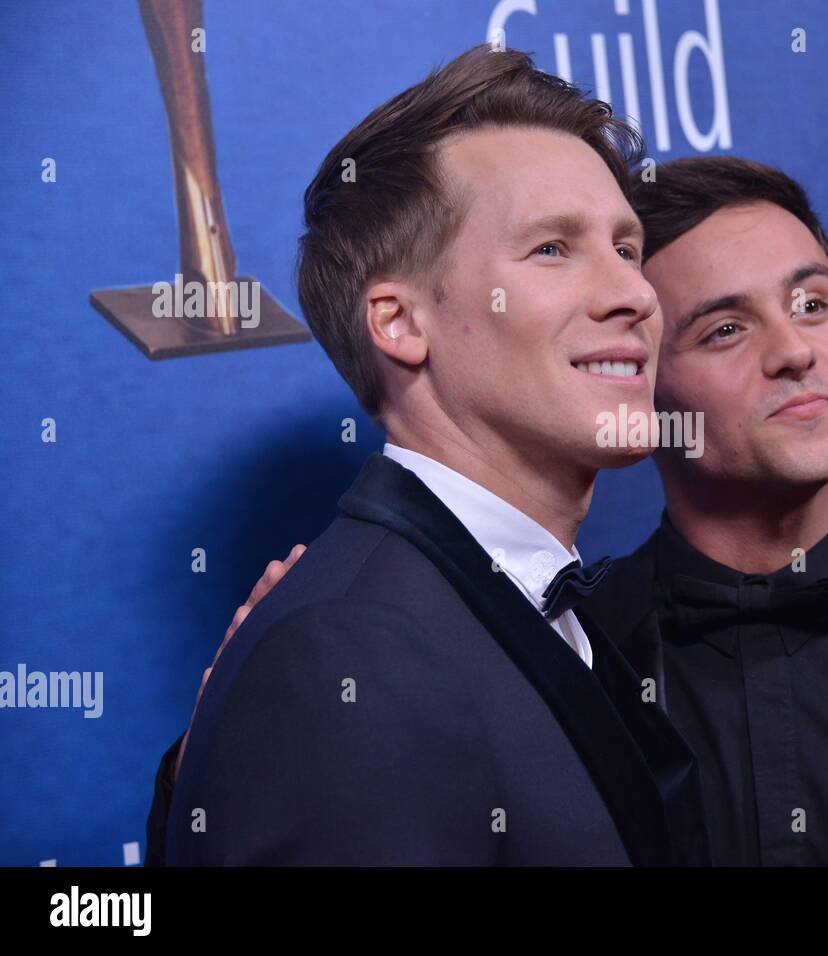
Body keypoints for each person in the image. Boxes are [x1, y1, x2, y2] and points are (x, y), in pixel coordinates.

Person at [151, 145, 828, 867]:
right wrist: (210, 759)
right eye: (721, 327)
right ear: (642, 381)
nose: (794, 350)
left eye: (813, 302)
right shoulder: (542, 646)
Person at [154, 45, 709, 866]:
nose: (634, 292)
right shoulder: (348, 659)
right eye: (552, 249)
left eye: (626, 248)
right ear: (399, 324)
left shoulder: (531, 606)